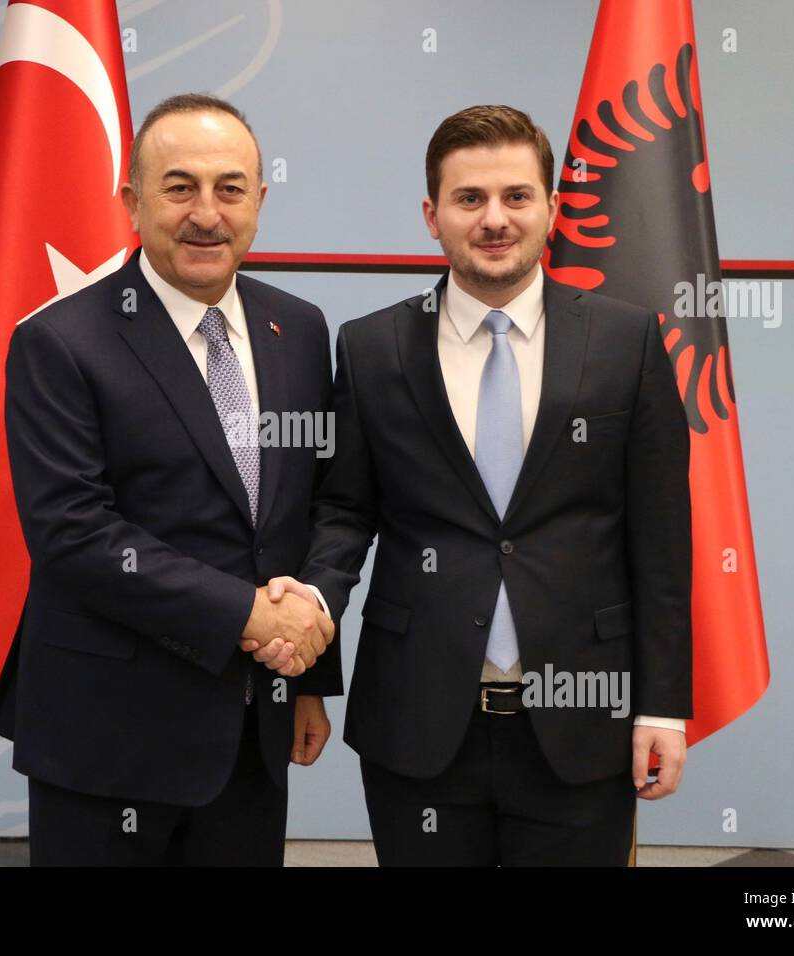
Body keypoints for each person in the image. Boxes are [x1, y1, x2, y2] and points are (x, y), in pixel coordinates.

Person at [259, 105, 692, 865]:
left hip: (581, 717)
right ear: (433, 215)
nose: (495, 219)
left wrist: (663, 706)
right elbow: (342, 512)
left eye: (517, 197)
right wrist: (311, 633)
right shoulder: (371, 348)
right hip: (417, 719)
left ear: (551, 208)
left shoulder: (629, 341)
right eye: (469, 199)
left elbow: (660, 543)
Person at [0, 94, 342, 866]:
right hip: (107, 737)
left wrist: (306, 673)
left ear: (259, 201)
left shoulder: (301, 328)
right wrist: (249, 612)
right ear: (132, 201)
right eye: (179, 187)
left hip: (253, 730)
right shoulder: (59, 342)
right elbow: (73, 534)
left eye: (230, 188)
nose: (206, 213)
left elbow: (311, 508)